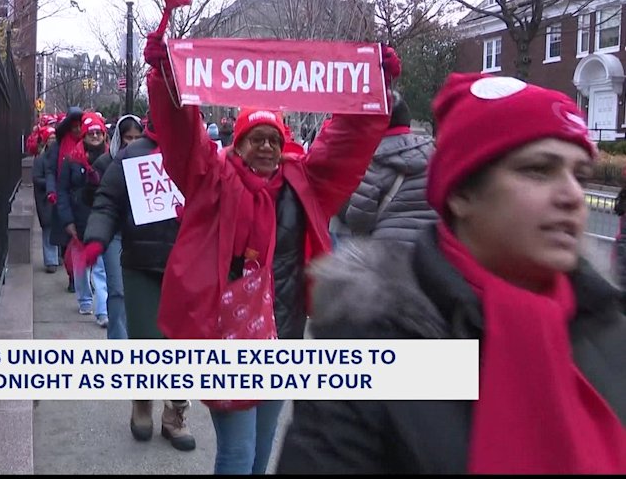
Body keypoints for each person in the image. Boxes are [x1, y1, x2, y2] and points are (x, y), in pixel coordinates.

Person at [276, 73, 626, 474]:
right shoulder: (376, 344)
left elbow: (355, 211)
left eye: (579, 175)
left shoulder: (607, 329)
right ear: (462, 193)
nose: (571, 196)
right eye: (537, 170)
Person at [144, 32, 399, 474]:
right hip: (226, 343)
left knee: (262, 454)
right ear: (236, 144)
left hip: (283, 336)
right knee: (239, 454)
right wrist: (168, 76)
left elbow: (344, 144)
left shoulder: (304, 185)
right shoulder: (212, 182)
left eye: (273, 140)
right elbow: (183, 136)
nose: (266, 147)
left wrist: (373, 84)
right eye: (255, 137)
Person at [82, 117, 196, 452]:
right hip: (142, 265)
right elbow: (107, 202)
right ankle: (142, 401)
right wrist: (96, 239)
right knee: (147, 340)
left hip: (188, 266)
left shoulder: (198, 154)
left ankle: (175, 413)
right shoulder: (131, 156)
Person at [330, 90, 438, 247]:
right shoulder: (434, 155)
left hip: (389, 254)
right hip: (430, 249)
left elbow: (358, 220)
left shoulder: (375, 162)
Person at [86, 114, 144, 340]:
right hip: (115, 235)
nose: (132, 142)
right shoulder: (105, 164)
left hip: (141, 236)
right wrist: (95, 237)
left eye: (137, 137)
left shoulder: (149, 159)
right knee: (117, 292)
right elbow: (102, 203)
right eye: (128, 137)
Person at [54, 112, 109, 327]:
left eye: (98, 132)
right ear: (84, 136)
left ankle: (102, 310)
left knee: (102, 267)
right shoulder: (70, 160)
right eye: (91, 132)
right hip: (78, 220)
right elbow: (63, 191)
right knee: (80, 266)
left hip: (103, 219)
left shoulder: (110, 159)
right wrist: (67, 221)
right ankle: (85, 299)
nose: (95, 136)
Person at [47, 107, 85, 292]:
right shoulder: (58, 146)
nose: (78, 130)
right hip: (64, 201)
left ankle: (81, 277)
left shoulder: (88, 145)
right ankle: (72, 276)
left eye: (80, 126)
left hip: (84, 203)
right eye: (74, 127)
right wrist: (51, 191)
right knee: (67, 243)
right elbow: (51, 171)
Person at [33, 127, 60, 272]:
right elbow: (36, 179)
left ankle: (59, 257)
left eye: (55, 138)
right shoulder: (40, 159)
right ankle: (51, 261)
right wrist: (51, 183)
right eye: (50, 138)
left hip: (59, 199)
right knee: (48, 229)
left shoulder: (60, 156)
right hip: (46, 200)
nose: (53, 140)